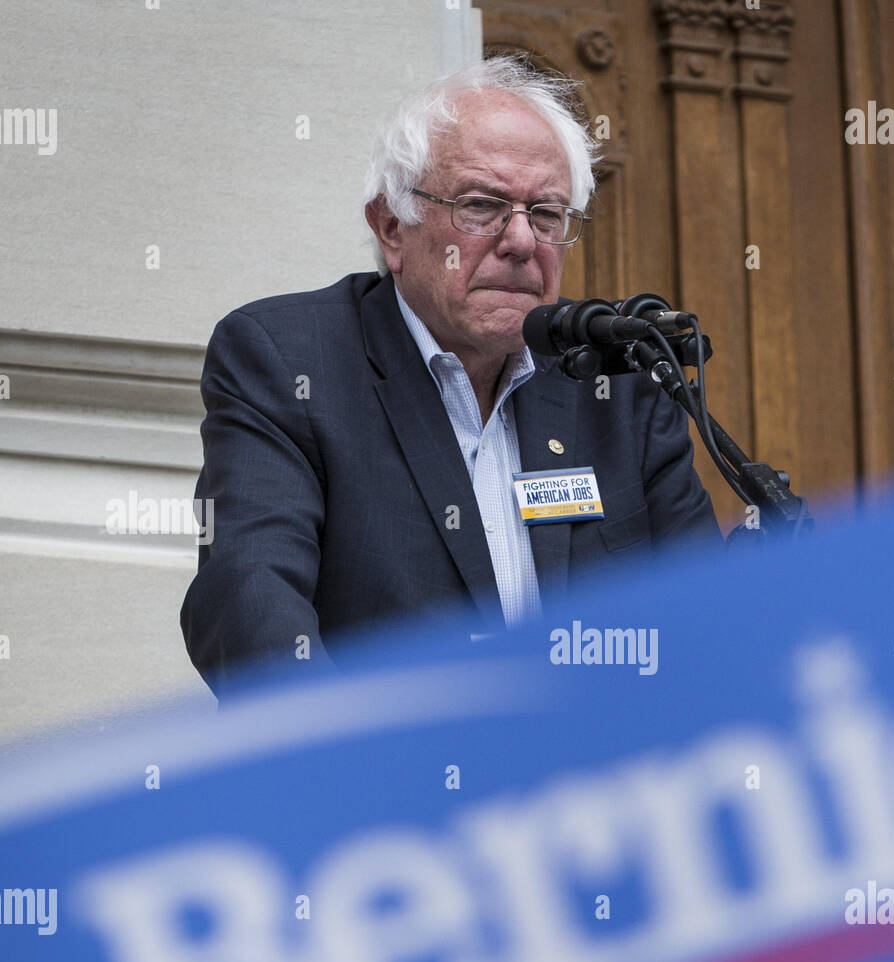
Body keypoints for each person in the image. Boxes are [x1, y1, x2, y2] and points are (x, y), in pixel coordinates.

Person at [181, 54, 721, 696]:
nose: (521, 240)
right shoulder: (290, 360)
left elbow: (706, 622)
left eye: (545, 214)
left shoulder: (616, 381)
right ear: (391, 228)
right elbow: (250, 613)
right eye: (482, 206)